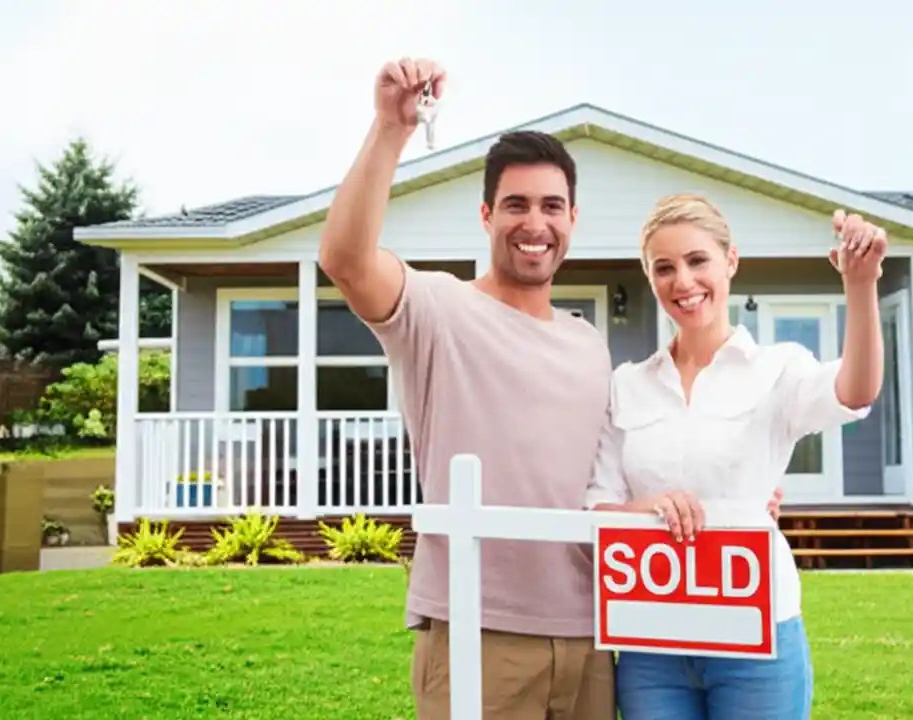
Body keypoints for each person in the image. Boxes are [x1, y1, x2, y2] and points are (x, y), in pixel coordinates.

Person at [318, 58, 784, 719]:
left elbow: (615, 480)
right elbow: (345, 259)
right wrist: (391, 128)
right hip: (478, 627)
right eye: (515, 205)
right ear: (486, 215)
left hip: (593, 634)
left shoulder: (590, 346)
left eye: (550, 206)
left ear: (572, 219)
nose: (534, 222)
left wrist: (733, 498)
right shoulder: (436, 309)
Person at [585, 192, 886, 719]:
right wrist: (648, 510)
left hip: (757, 636)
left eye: (698, 260)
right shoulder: (625, 385)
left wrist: (859, 286)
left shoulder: (777, 369)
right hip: (651, 642)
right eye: (664, 268)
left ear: (731, 261)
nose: (683, 281)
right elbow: (596, 508)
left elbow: (854, 391)